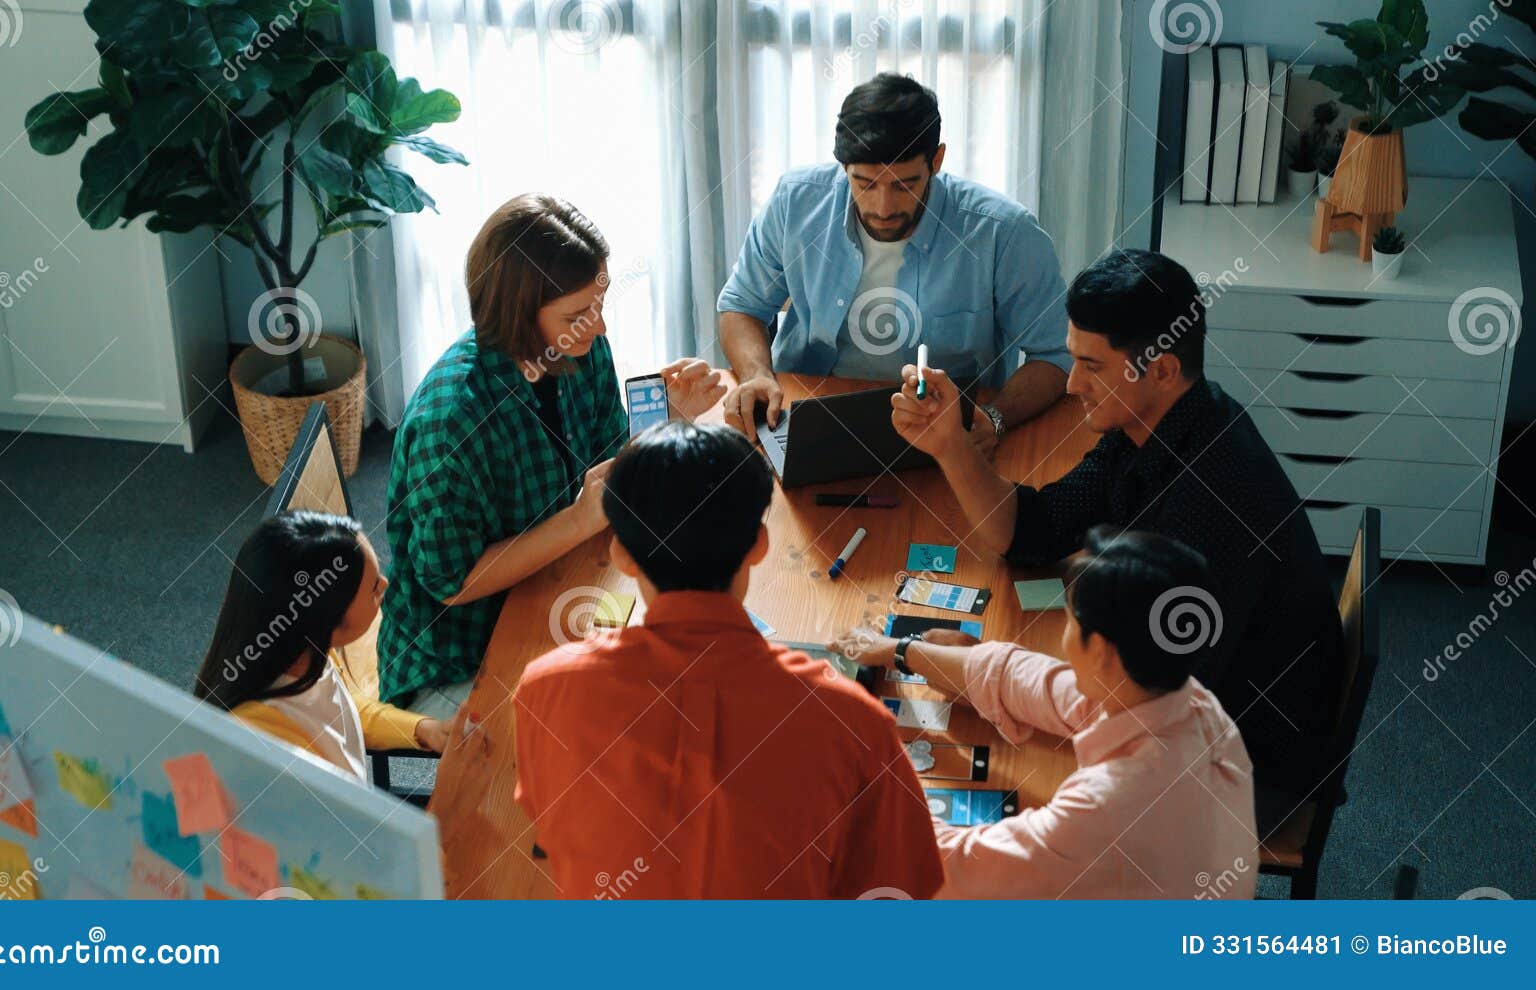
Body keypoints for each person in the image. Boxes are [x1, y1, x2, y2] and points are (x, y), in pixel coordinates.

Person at [889, 248, 1343, 838]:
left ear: (1161, 368)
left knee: (1016, 790)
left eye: (1092, 367)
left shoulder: (1210, 498)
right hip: (1186, 699)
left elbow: (1148, 700)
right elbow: (1036, 530)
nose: (1073, 384)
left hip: (1243, 766)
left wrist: (987, 671)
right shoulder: (1153, 425)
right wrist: (950, 443)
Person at [511, 421, 943, 899]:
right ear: (760, 544)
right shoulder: (852, 720)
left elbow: (551, 830)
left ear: (621, 554)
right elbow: (900, 891)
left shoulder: (544, 690)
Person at [379, 194, 726, 720]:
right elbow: (452, 583)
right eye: (579, 312)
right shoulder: (449, 423)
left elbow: (609, 466)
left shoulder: (580, 347)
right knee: (602, 741)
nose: (601, 326)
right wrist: (580, 518)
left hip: (558, 583)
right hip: (461, 651)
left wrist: (668, 419)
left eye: (600, 304)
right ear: (520, 315)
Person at [831, 526, 1258, 899]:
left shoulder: (1101, 812)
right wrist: (904, 651)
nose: (1062, 639)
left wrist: (872, 782)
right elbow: (1039, 683)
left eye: (1069, 622)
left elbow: (950, 866)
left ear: (1103, 652)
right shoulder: (1190, 701)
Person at [717, 72, 1070, 450]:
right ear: (843, 167)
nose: (883, 208)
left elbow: (1054, 354)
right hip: (811, 413)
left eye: (904, 185)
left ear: (936, 160)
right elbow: (742, 306)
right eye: (865, 183)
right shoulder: (796, 203)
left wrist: (996, 417)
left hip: (947, 432)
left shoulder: (1003, 232)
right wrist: (757, 375)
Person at [194, 511, 449, 780]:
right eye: (373, 588)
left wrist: (422, 728)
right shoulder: (264, 743)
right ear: (326, 620)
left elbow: (345, 708)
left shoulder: (307, 650)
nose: (385, 583)